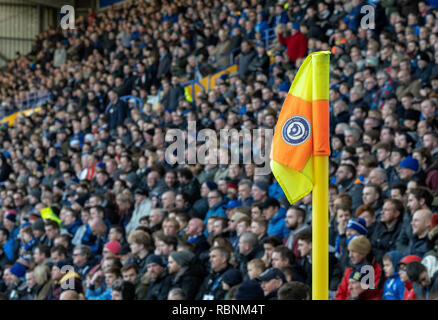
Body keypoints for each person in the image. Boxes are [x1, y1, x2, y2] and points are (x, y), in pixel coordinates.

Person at [336, 235, 383, 300]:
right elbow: (341, 293)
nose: (350, 255)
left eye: (354, 251)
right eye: (349, 251)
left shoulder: (376, 271)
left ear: (364, 253)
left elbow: (374, 295)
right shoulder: (349, 268)